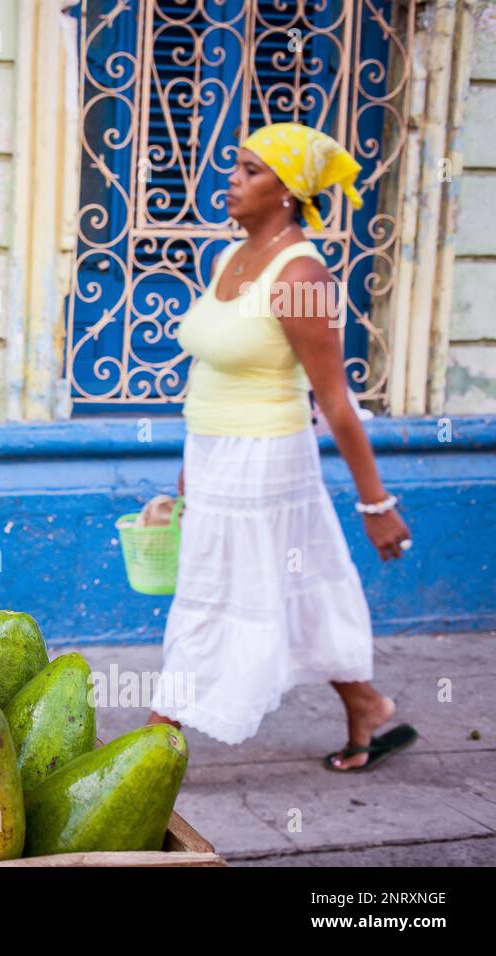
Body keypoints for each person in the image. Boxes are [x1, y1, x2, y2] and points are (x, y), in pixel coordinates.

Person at [146, 122, 416, 772]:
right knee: (289, 591)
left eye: (251, 170)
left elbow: (336, 404)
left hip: (265, 460)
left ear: (289, 191)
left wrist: (376, 505)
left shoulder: (301, 276)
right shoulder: (230, 258)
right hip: (215, 455)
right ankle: (367, 705)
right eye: (236, 166)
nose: (232, 179)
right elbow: (211, 371)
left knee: (215, 593)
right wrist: (189, 471)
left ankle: (156, 741)